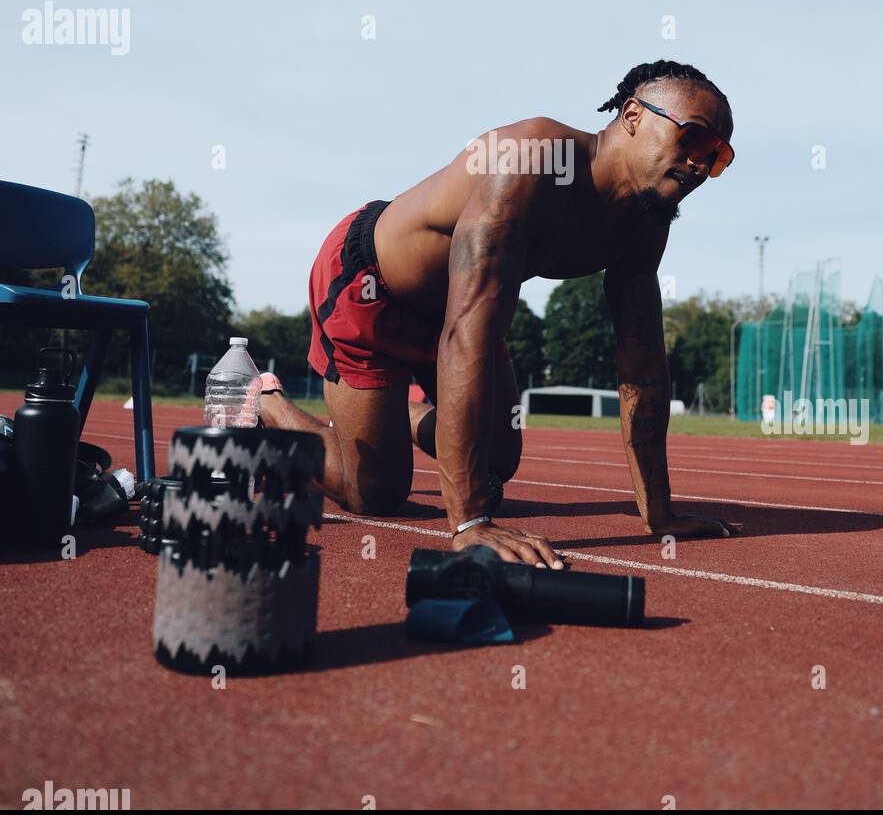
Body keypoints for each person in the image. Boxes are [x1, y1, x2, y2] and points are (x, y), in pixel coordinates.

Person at [260, 59, 738, 569]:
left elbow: (642, 368)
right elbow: (466, 339)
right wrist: (470, 524)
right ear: (632, 115)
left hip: (461, 309)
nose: (699, 165)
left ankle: (392, 414)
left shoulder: (645, 223)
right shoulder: (530, 157)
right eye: (693, 138)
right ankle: (267, 405)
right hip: (370, 287)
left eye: (717, 156)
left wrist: (659, 513)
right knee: (374, 494)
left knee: (496, 463)